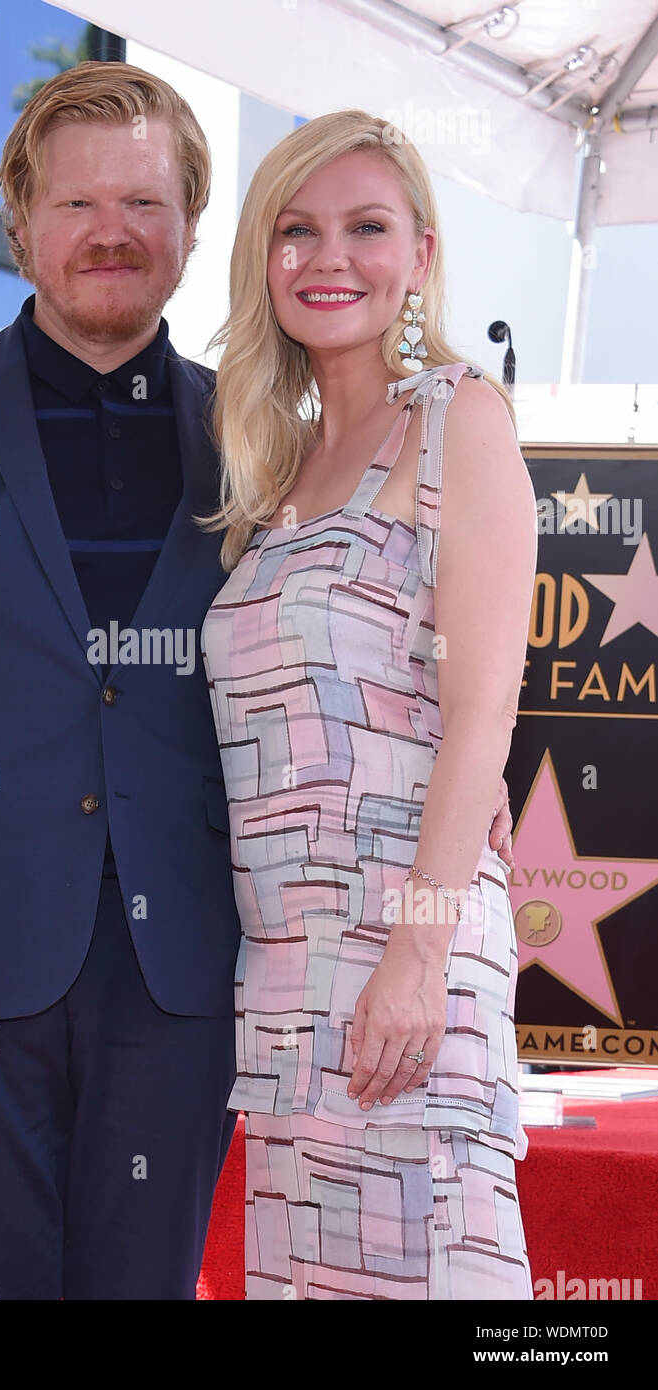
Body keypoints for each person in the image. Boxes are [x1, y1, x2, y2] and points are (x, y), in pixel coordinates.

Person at [0, 62, 514, 1300]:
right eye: (76, 207)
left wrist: (461, 822)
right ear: (21, 228)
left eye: (144, 205)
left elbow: (396, 648)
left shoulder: (256, 438)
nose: (111, 232)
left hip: (196, 964)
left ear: (187, 229)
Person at [199, 110, 537, 1300]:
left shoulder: (459, 420)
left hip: (408, 954)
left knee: (432, 1271)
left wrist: (417, 951)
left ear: (422, 257)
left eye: (366, 227)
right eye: (296, 230)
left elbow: (484, 710)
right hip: (281, 975)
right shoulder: (266, 470)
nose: (327, 257)